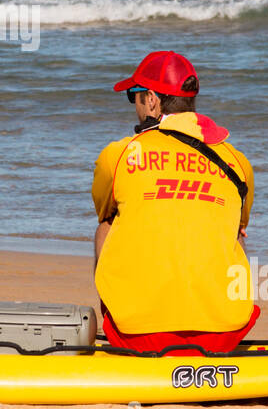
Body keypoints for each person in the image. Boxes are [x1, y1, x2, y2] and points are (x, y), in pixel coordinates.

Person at [91, 50, 259, 354]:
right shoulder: (237, 161)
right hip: (224, 334)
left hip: (139, 335)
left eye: (135, 96)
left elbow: (104, 210)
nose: (135, 106)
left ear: (152, 99)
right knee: (234, 229)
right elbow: (240, 225)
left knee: (108, 224)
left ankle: (129, 318)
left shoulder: (118, 155)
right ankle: (216, 315)